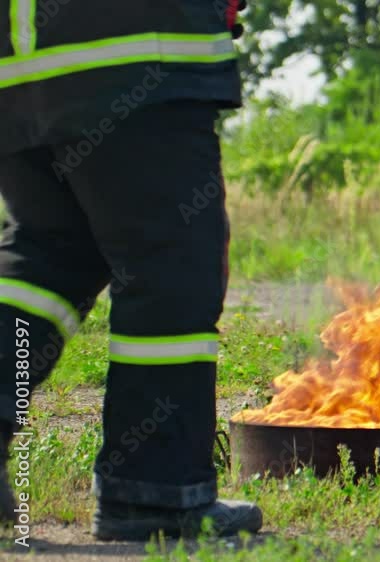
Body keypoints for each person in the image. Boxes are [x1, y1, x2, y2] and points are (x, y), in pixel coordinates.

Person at [0, 0, 262, 540]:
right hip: (133, 50)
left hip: (22, 64)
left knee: (53, 254)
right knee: (172, 267)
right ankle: (155, 492)